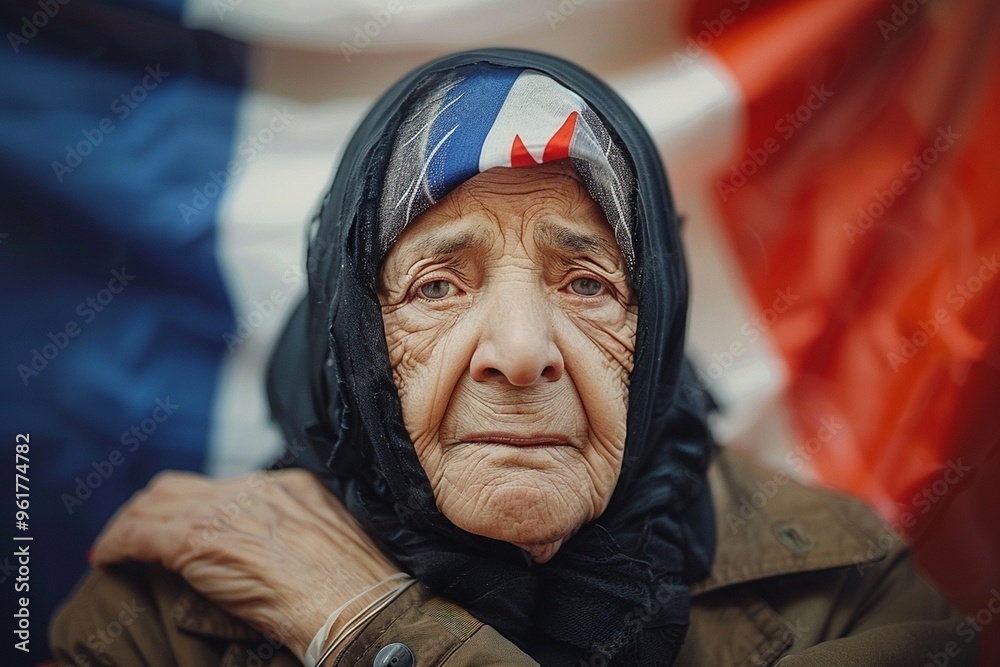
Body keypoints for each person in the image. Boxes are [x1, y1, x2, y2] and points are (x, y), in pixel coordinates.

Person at [50, 49, 976, 667]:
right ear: (354, 335)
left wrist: (370, 626)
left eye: (586, 284)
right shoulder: (158, 623)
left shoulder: (850, 590)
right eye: (437, 287)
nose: (522, 353)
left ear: (652, 329)